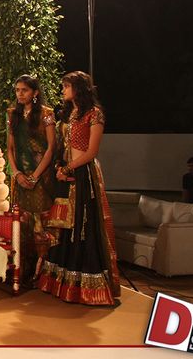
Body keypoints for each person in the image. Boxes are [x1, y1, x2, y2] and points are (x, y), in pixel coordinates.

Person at [37, 71, 120, 306]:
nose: (63, 90)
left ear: (79, 88)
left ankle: (85, 285)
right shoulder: (70, 114)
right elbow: (64, 145)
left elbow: (92, 152)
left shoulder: (94, 115)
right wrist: (60, 168)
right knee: (63, 224)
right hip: (66, 172)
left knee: (82, 226)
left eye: (66, 86)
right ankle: (60, 281)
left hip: (84, 175)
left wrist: (70, 168)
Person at [6, 75, 56, 282]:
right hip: (20, 178)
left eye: (24, 90)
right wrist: (17, 173)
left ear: (35, 93)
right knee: (21, 223)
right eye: (17, 90)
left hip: (41, 178)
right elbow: (9, 148)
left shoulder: (47, 114)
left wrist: (35, 176)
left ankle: (42, 272)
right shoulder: (12, 114)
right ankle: (21, 270)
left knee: (41, 225)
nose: (20, 94)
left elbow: (51, 148)